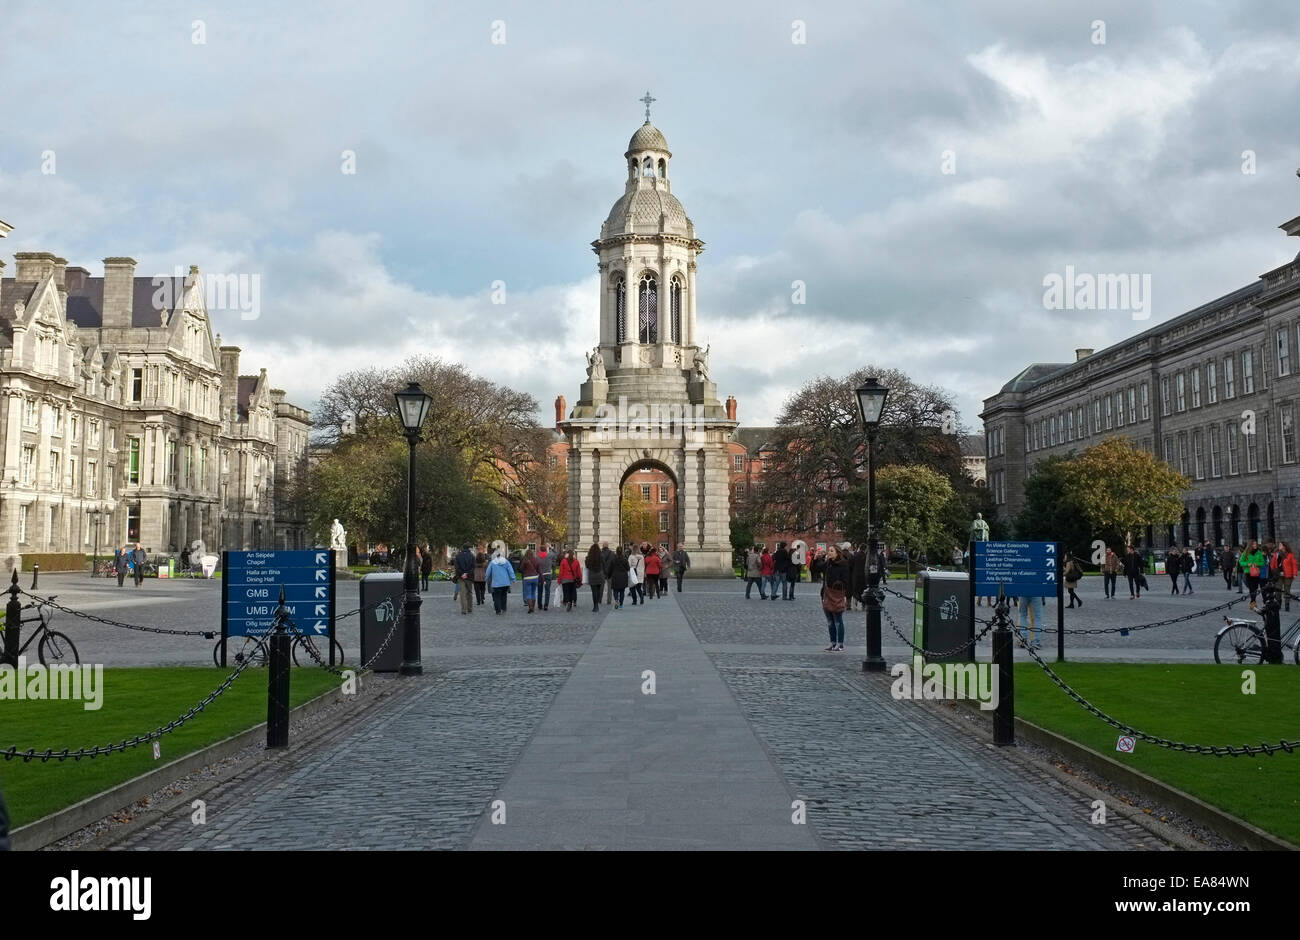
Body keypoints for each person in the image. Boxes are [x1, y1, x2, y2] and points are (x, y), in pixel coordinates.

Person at [820, 545, 850, 652]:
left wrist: (842, 592)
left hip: (837, 595)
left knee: (838, 621)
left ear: (837, 552)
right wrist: (815, 559)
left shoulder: (843, 564)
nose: (829, 552)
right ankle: (832, 642)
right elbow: (816, 568)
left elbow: (846, 581)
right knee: (830, 621)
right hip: (826, 594)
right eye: (829, 550)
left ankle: (840, 644)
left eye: (831, 551)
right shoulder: (828, 563)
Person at [1239, 539, 1267, 611]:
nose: (1255, 545)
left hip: (1256, 572)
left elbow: (1262, 562)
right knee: (1252, 588)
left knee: (1255, 587)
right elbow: (1241, 562)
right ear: (1250, 545)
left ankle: (1253, 601)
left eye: (1256, 544)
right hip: (1248, 573)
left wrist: (1257, 564)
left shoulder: (1259, 552)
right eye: (1253, 544)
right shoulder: (1246, 553)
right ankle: (1253, 602)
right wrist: (1248, 564)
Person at [454, 543, 475, 615]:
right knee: (469, 592)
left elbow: (457, 567)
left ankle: (464, 609)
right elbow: (473, 567)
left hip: (460, 577)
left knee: (462, 593)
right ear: (468, 548)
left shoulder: (458, 556)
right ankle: (470, 608)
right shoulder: (472, 556)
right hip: (469, 577)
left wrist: (462, 573)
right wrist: (467, 574)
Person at [585, 544, 606, 612]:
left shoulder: (589, 557)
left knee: (594, 592)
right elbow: (604, 565)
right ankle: (598, 601)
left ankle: (595, 606)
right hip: (600, 575)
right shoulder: (601, 556)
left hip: (592, 575)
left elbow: (587, 566)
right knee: (599, 591)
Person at [520, 549, 541, 613]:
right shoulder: (536, 559)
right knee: (533, 593)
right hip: (535, 577)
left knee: (528, 593)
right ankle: (533, 607)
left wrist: (525, 572)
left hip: (527, 578)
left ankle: (530, 607)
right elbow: (538, 569)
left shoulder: (525, 560)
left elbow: (521, 568)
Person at [1280, 541, 1298, 612]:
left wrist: (1295, 574)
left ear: (1284, 546)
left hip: (1288, 575)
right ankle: (1279, 603)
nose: (1279, 546)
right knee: (1278, 589)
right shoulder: (1278, 553)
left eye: (1280, 545)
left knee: (1287, 590)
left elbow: (1294, 564)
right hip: (1280, 575)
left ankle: (1287, 605)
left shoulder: (1290, 555)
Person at [537, 544, 553, 612]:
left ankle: (539, 604)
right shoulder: (549, 555)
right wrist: (551, 547)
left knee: (539, 591)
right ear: (546, 549)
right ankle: (546, 605)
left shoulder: (537, 556)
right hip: (548, 574)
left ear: (540, 549)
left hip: (540, 575)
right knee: (547, 591)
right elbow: (555, 553)